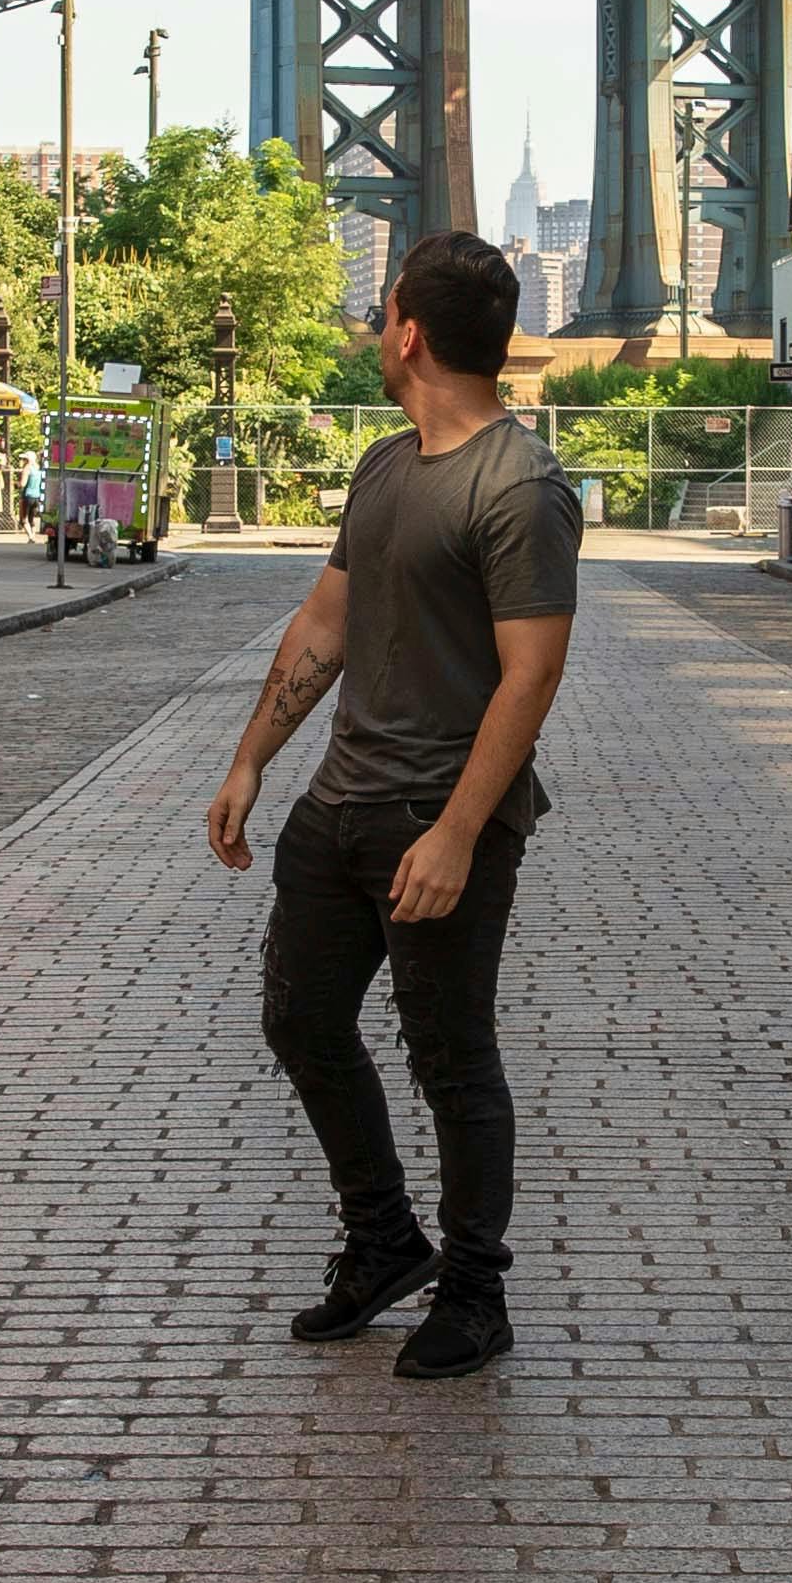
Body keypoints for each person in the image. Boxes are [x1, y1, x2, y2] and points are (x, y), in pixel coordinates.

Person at [206, 227, 580, 1382]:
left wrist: (461, 832)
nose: (373, 331)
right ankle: (382, 1244)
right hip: (339, 807)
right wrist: (251, 757)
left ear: (408, 333)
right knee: (301, 1022)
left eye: (379, 314)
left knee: (449, 1058)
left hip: (438, 815)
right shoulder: (382, 467)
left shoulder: (522, 488)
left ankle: (474, 1291)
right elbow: (324, 622)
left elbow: (532, 673)